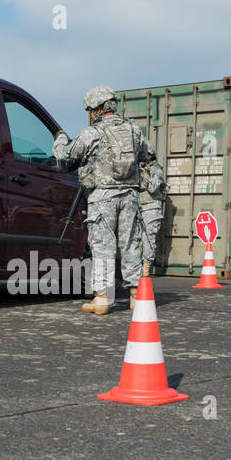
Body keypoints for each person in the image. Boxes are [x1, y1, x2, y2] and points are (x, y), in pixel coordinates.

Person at [52, 86, 151, 314]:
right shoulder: (134, 129)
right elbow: (145, 155)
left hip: (102, 197)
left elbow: (66, 154)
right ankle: (137, 296)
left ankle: (102, 298)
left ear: (97, 109)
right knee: (130, 244)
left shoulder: (92, 133)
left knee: (102, 247)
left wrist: (60, 139)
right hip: (130, 196)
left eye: (90, 110)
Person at [138, 149, 167, 276]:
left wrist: (145, 175)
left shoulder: (157, 171)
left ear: (150, 155)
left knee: (148, 239)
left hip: (151, 209)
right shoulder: (140, 168)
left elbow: (152, 188)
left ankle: (146, 268)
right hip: (138, 208)